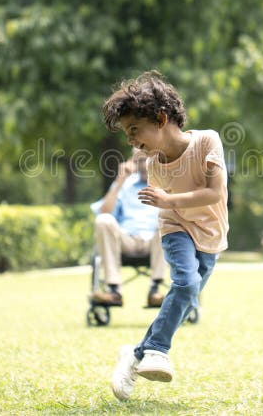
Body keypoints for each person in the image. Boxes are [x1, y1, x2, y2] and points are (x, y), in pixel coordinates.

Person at [101, 70, 229, 401]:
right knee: (186, 284)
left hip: (210, 234)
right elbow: (167, 207)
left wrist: (169, 199)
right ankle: (158, 349)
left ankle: (136, 354)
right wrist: (168, 204)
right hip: (175, 228)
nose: (130, 140)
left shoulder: (207, 141)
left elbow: (214, 193)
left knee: (185, 297)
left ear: (160, 118)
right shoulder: (155, 163)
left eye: (133, 130)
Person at [90, 150, 166, 308]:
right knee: (103, 220)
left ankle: (155, 289)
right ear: (134, 163)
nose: (144, 165)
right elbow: (104, 212)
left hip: (156, 241)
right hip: (126, 240)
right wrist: (119, 182)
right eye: (139, 161)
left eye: (148, 160)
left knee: (166, 223)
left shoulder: (167, 182)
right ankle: (114, 290)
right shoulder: (124, 184)